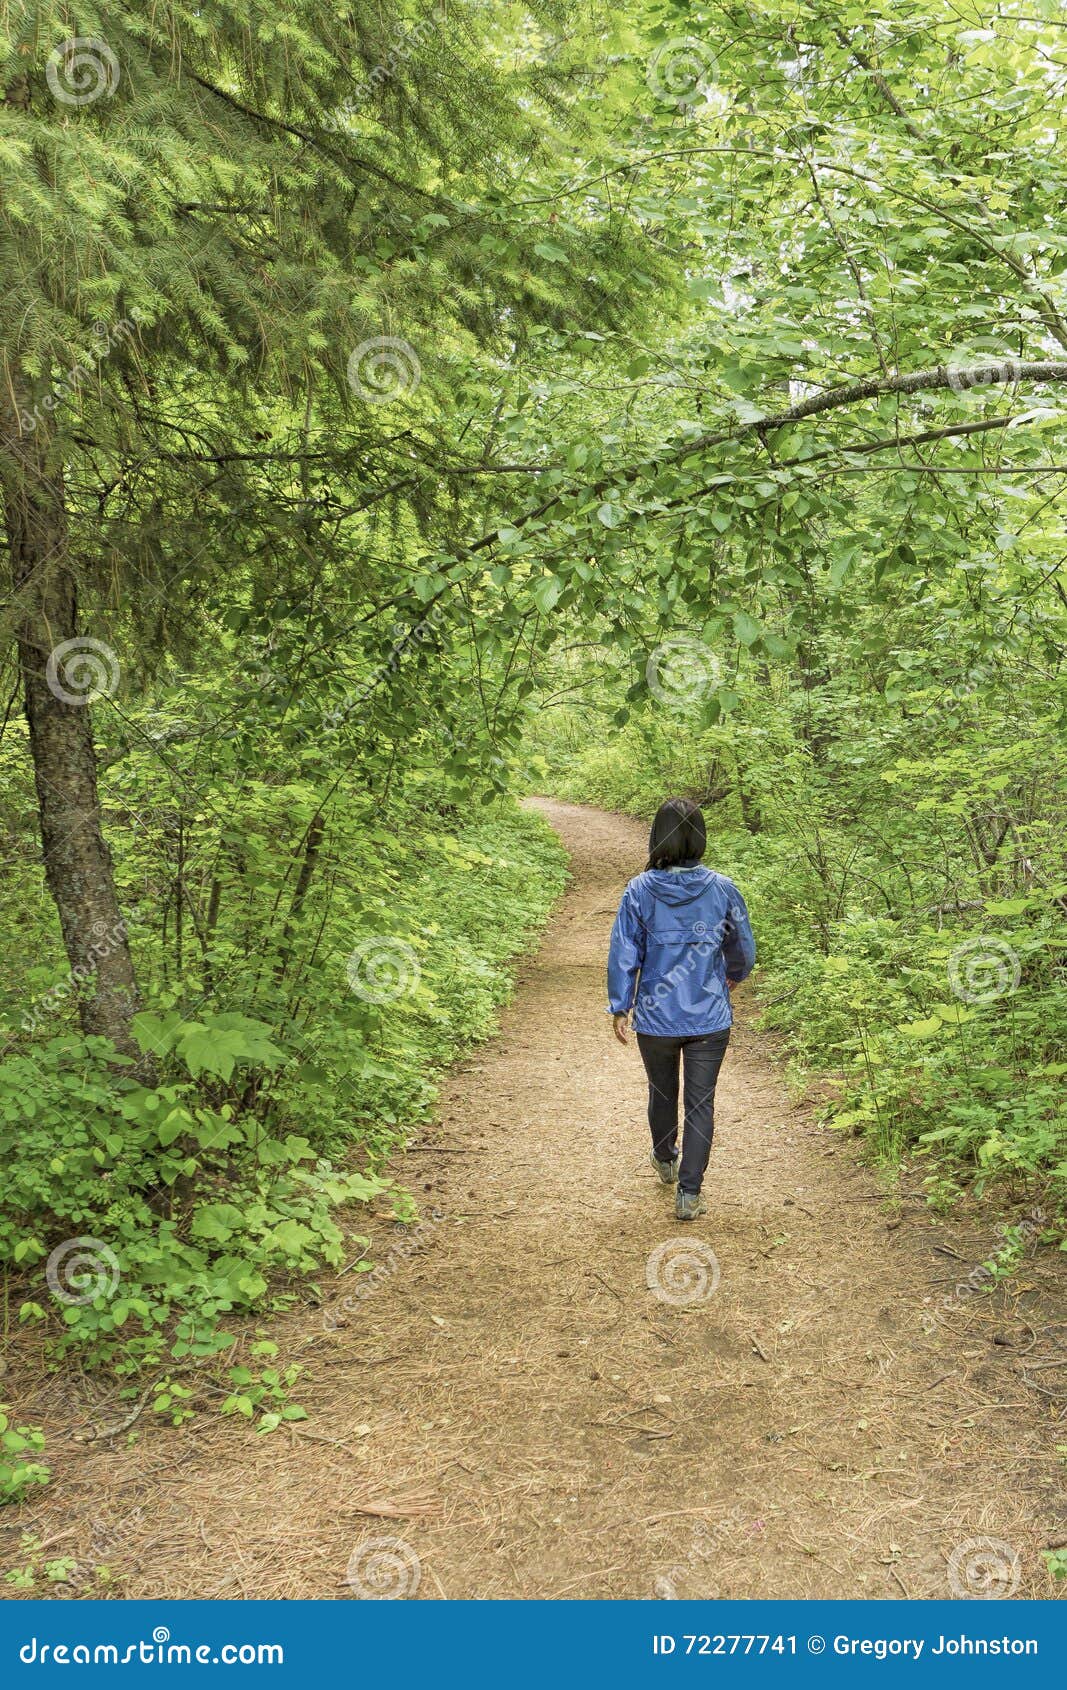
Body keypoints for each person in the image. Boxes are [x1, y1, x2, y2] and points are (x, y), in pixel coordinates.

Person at [606, 797, 756, 1220]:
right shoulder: (722, 888)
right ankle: (690, 1194)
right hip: (709, 1015)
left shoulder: (639, 890)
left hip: (657, 1018)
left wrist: (621, 1006)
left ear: (658, 836)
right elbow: (742, 945)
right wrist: (734, 974)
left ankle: (664, 1157)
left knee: (662, 1091)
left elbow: (624, 952)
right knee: (700, 1103)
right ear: (700, 837)